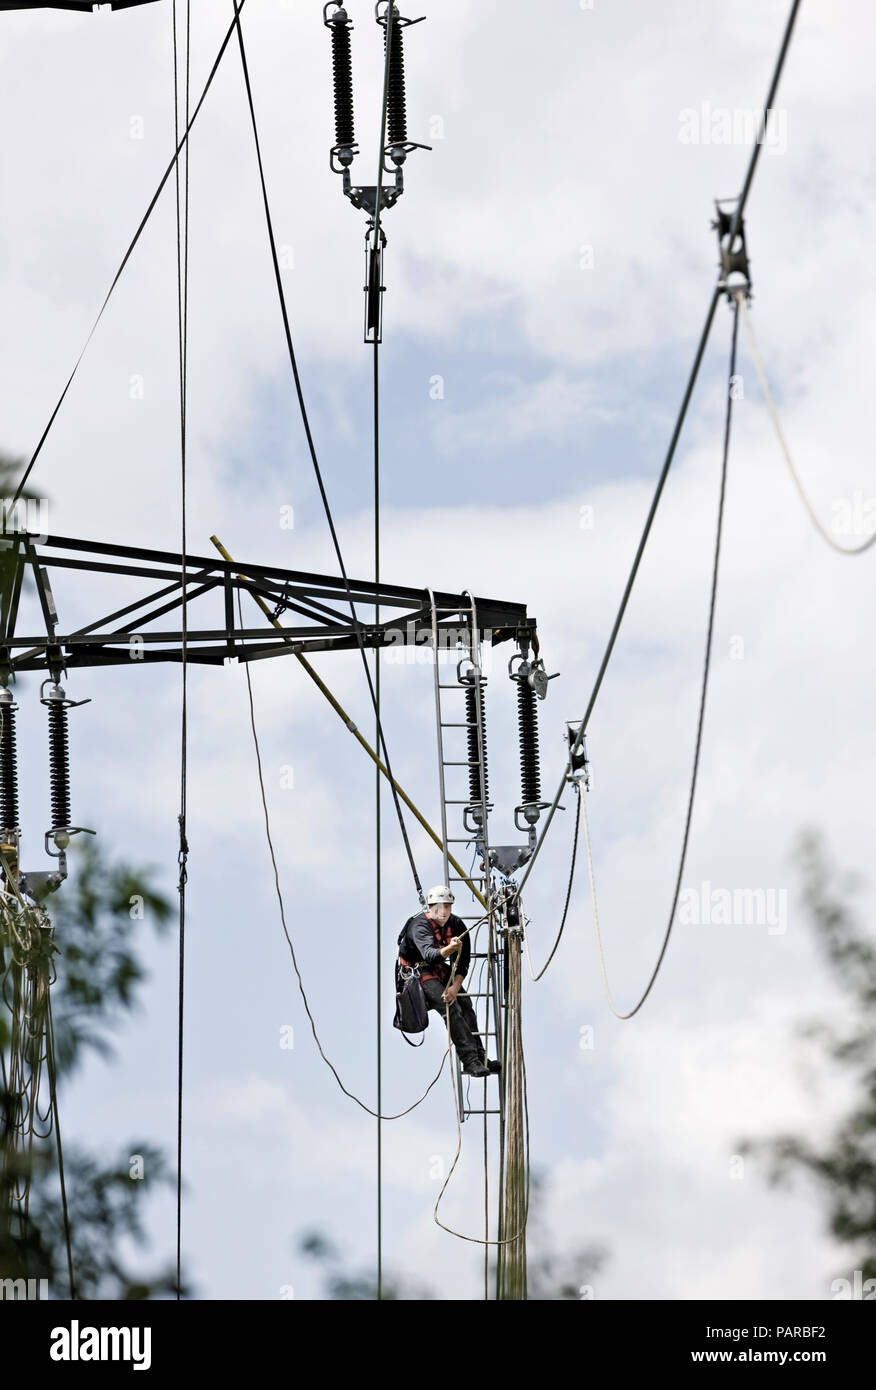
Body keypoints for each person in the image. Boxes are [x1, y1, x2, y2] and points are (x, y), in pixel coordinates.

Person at [403, 885, 500, 1078]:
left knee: (465, 1002)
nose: (444, 911)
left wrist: (455, 987)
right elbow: (430, 955)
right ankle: (470, 1061)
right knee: (450, 1007)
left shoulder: (456, 925)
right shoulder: (420, 926)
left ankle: (480, 1056)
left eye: (447, 906)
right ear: (431, 908)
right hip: (417, 971)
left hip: (439, 969)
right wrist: (449, 949)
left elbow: (463, 961)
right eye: (439, 907)